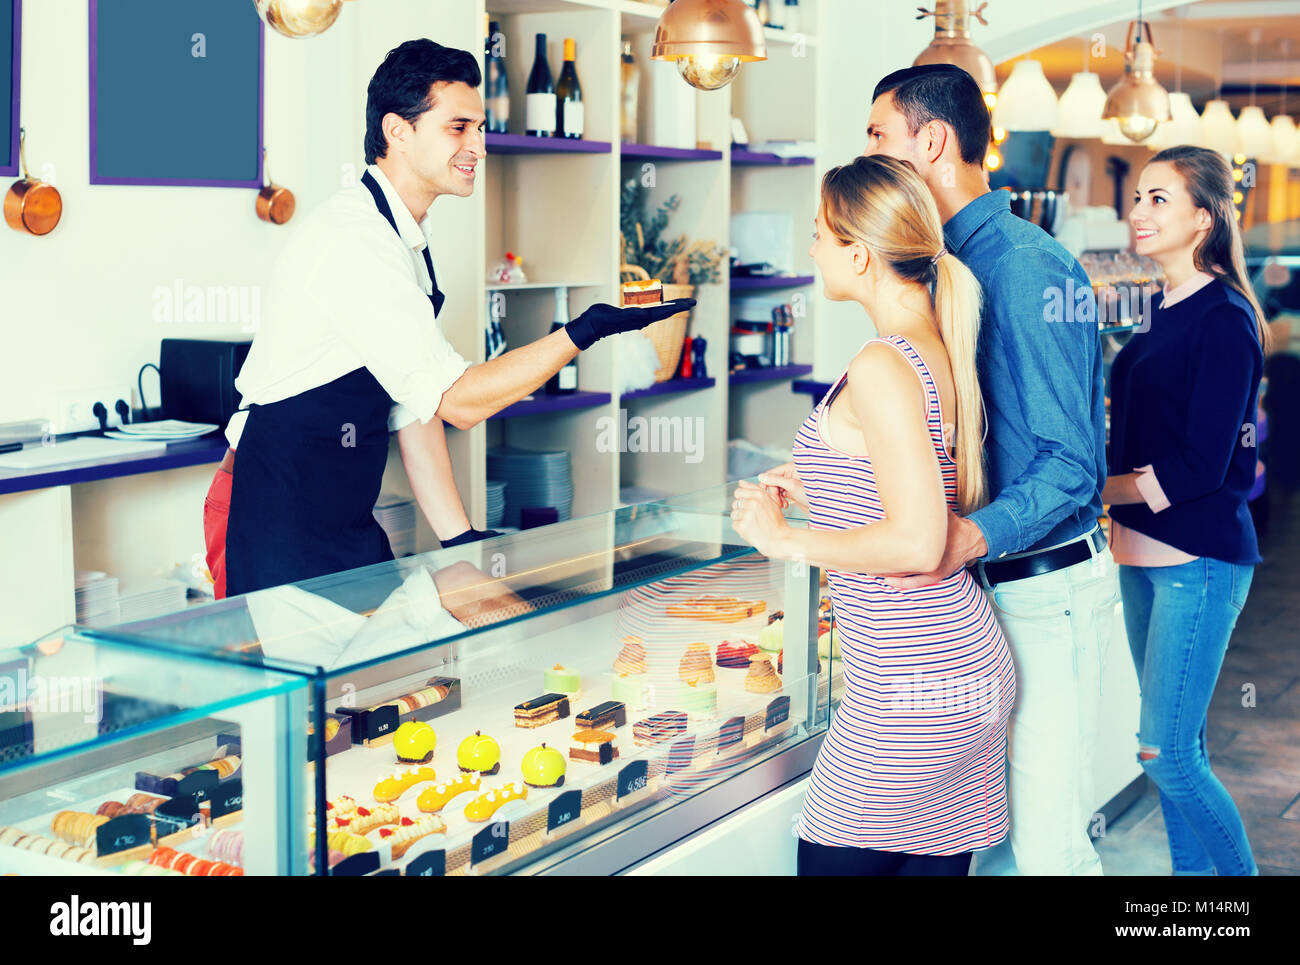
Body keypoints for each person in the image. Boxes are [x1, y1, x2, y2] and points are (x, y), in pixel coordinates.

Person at [202, 40, 691, 598]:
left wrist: (459, 540)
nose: (479, 147)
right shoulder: (355, 241)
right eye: (459, 128)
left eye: (479, 129)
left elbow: (418, 406)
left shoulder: (405, 237)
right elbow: (458, 402)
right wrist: (584, 331)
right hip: (272, 509)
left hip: (338, 510)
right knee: (310, 684)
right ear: (398, 131)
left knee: (375, 679)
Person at [826, 63, 1115, 876]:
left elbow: (1072, 464)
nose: (871, 152)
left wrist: (964, 537)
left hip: (1045, 592)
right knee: (981, 855)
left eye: (879, 135)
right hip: (990, 595)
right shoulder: (943, 264)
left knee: (1051, 851)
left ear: (932, 142)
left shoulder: (1024, 266)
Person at [731, 155, 1014, 877]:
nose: (811, 248)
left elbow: (920, 539)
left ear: (859, 254)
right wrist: (823, 479)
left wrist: (785, 538)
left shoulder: (882, 363)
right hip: (959, 668)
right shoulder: (938, 347)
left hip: (912, 685)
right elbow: (910, 481)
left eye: (821, 234)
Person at [1105, 146, 1267, 876]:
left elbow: (1201, 466)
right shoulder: (1155, 308)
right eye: (1138, 196)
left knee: (1165, 754)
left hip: (1196, 564)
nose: (1139, 212)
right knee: (1173, 749)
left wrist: (1097, 489)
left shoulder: (1225, 318)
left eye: (1159, 199)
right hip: (1140, 557)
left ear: (1203, 217)